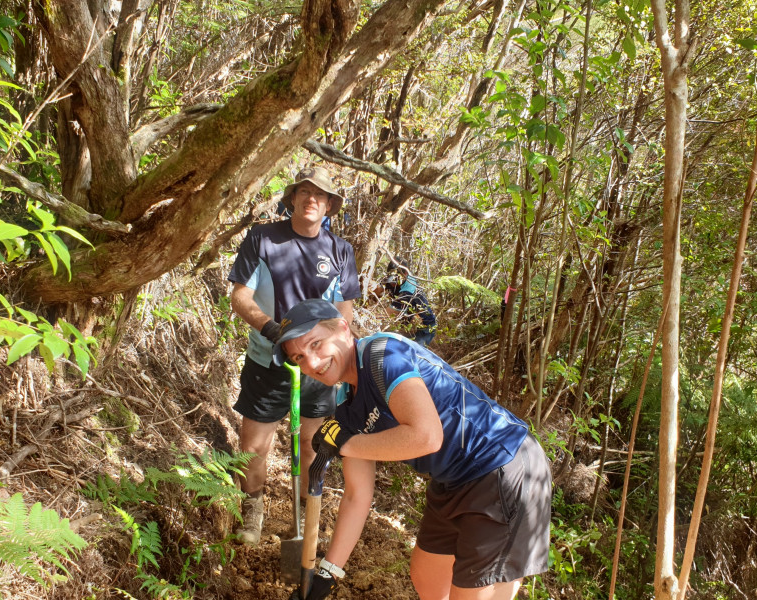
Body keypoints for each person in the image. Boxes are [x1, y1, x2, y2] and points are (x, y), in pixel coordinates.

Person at [272, 299, 551, 600]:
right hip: (453, 480)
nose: (311, 363)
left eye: (316, 344)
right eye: (299, 357)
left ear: (342, 327)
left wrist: (345, 444)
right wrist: (329, 572)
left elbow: (427, 437)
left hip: (502, 464)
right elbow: (356, 495)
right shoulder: (345, 410)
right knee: (427, 578)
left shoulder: (383, 355)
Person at [227, 166, 361, 545]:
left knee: (314, 444)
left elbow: (344, 313)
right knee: (253, 445)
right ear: (292, 198)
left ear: (331, 205)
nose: (311, 198)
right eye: (304, 191)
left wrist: (331, 358)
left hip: (319, 368)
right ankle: (251, 512)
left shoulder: (340, 251)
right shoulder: (264, 238)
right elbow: (240, 295)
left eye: (321, 194)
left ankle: (307, 521)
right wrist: (272, 330)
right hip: (267, 360)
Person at [378, 259, 437, 346]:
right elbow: (380, 288)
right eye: (391, 278)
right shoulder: (393, 280)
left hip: (426, 326)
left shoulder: (409, 289)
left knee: (415, 350)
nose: (392, 283)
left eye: (395, 279)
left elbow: (390, 312)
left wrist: (370, 320)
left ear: (405, 274)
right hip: (406, 319)